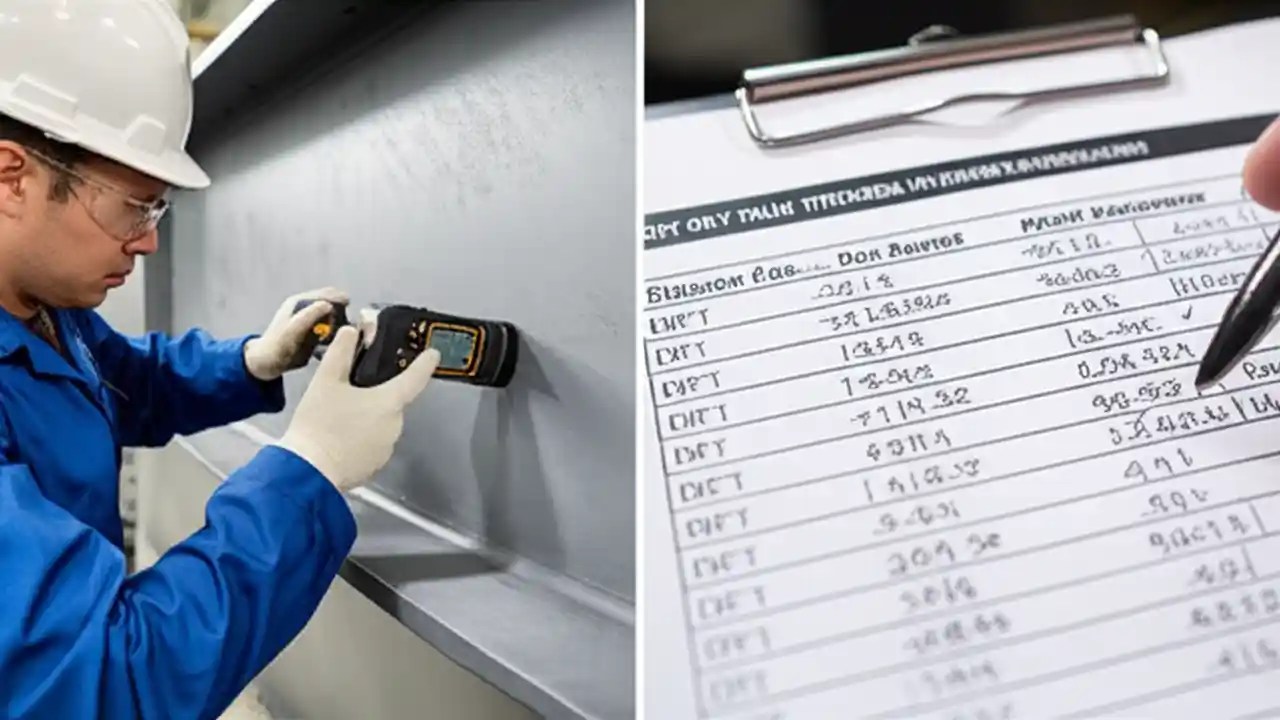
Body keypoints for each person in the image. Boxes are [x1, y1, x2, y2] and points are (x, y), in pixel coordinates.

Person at [0, 1, 441, 718]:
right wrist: (310, 470)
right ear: (13, 176)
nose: (148, 243)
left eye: (158, 210)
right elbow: (107, 681)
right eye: (134, 208)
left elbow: (125, 382)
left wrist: (253, 364)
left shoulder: (45, 306)